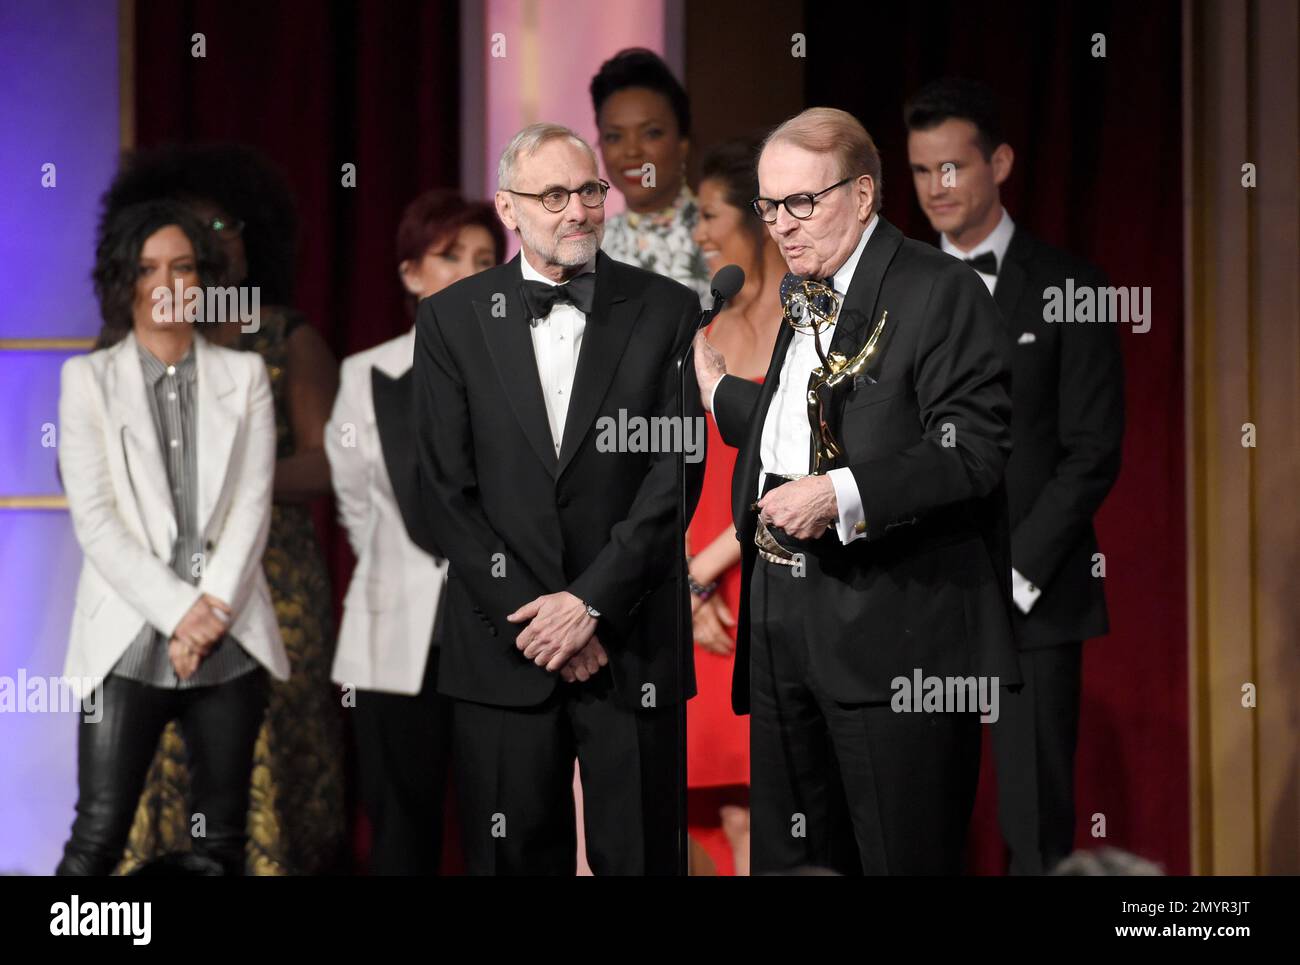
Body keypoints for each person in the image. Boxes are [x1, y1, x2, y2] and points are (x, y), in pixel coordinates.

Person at [694, 107, 1020, 875]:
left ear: (864, 194)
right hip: (780, 629)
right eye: (770, 206)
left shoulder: (938, 290)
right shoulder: (807, 290)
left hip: (892, 640)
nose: (781, 224)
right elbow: (806, 425)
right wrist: (718, 393)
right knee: (792, 861)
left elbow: (973, 449)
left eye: (802, 202)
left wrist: (838, 494)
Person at [411, 122, 704, 875]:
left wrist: (591, 603)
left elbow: (676, 474)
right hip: (504, 650)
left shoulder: (669, 309)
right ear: (507, 208)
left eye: (588, 191)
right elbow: (445, 492)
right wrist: (542, 620)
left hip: (632, 645)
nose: (577, 210)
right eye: (552, 196)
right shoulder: (450, 318)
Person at [99, 144, 343, 875]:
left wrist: (227, 483)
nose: (210, 243)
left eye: (224, 226)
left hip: (273, 583)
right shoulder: (125, 347)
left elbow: (330, 461)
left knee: (268, 763)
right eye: (191, 229)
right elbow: (87, 469)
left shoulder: (286, 335)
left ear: (252, 237)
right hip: (155, 589)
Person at [904, 77, 1125, 875]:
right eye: (921, 170)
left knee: (1034, 829)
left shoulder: (1074, 288)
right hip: (917, 601)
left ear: (998, 163)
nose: (936, 187)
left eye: (952, 166)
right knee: (914, 828)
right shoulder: (891, 293)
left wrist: (1018, 570)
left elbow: (1092, 450)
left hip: (1035, 599)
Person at [55, 200, 286, 875]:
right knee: (97, 835)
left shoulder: (244, 376)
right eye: (148, 268)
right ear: (123, 280)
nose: (166, 284)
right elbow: (96, 521)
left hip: (228, 635)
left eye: (182, 267)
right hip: (126, 635)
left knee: (222, 842)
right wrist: (184, 613)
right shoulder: (86, 380)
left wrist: (210, 612)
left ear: (203, 279)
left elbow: (252, 506)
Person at [326, 190, 504, 874]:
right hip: (395, 629)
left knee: (502, 828)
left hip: (499, 631)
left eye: (484, 259)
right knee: (401, 832)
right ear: (410, 272)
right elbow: (355, 502)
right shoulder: (364, 373)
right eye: (450, 255)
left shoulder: (521, 372)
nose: (469, 271)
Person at [683, 137, 787, 877]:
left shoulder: (808, 326)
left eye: (710, 214)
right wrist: (684, 580)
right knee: (717, 809)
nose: (698, 233)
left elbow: (799, 468)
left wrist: (707, 570)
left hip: (762, 569)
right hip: (694, 586)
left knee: (763, 800)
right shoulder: (705, 325)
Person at [591, 48, 711, 303]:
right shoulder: (591, 246)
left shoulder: (719, 234)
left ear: (683, 143)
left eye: (652, 133)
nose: (632, 151)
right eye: (614, 137)